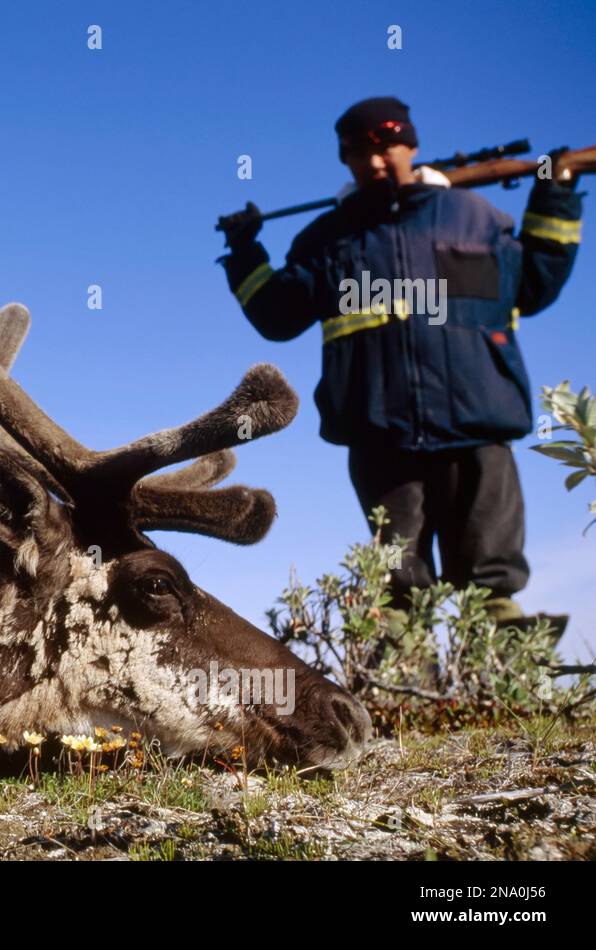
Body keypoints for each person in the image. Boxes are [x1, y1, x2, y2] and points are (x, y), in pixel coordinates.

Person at [219, 96, 583, 623]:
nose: (372, 162)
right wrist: (245, 254)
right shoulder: (325, 240)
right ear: (344, 161)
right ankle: (400, 702)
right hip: (379, 438)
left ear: (411, 145)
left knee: (492, 586)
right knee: (396, 588)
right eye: (355, 153)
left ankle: (511, 698)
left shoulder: (476, 218)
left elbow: (536, 282)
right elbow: (277, 317)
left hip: (478, 428)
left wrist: (557, 191)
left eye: (386, 146)